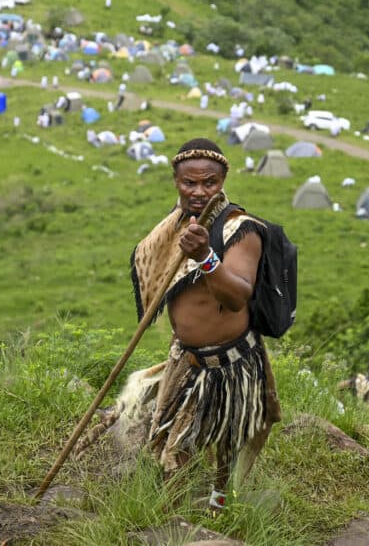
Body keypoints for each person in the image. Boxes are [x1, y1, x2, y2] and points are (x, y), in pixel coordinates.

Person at [127, 138, 281, 510]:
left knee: (227, 439)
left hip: (230, 363)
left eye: (209, 183)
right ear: (175, 181)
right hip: (186, 358)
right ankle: (173, 512)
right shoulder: (173, 227)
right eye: (188, 183)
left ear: (223, 179)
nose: (198, 191)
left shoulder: (242, 230)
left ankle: (219, 504)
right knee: (174, 442)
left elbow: (236, 296)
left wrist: (206, 257)